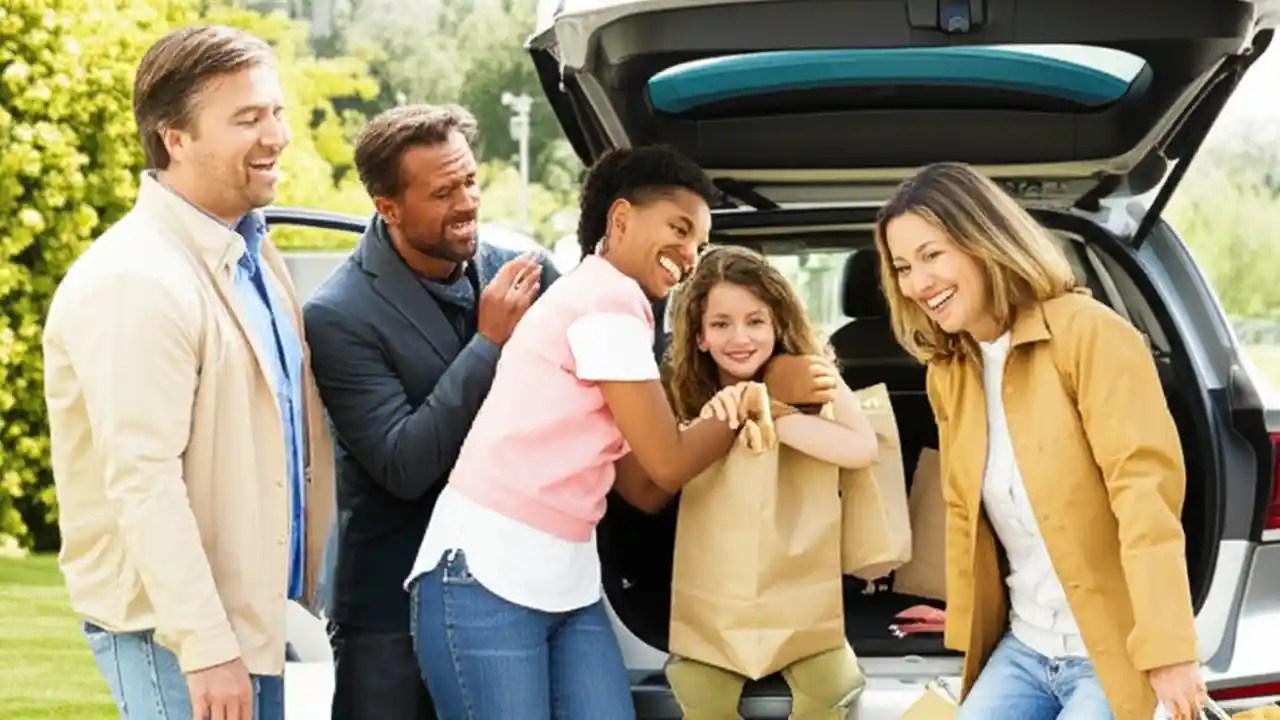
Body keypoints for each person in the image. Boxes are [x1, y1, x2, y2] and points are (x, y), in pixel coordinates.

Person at [405, 145, 770, 720]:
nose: (690, 256)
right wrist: (745, 402)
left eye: (700, 244)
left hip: (567, 583)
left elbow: (647, 488)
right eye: (680, 229)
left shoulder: (617, 318)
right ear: (620, 219)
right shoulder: (604, 302)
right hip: (485, 579)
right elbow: (671, 462)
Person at [42, 24, 333, 720]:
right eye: (246, 118)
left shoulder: (255, 258)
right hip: (176, 637)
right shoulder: (135, 279)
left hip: (255, 618)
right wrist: (206, 647)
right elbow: (143, 482)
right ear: (175, 137)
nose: (277, 135)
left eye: (276, 111)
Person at [874, 162, 1205, 720]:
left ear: (984, 241)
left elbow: (1144, 497)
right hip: (1025, 646)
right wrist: (966, 608)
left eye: (933, 255)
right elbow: (970, 511)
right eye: (903, 267)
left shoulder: (1089, 333)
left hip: (1111, 651)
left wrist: (1169, 648)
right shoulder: (949, 370)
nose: (917, 284)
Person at [301, 103, 557, 720]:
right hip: (390, 612)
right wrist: (488, 343)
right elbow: (403, 463)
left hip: (513, 589)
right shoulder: (338, 314)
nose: (467, 201)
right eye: (443, 192)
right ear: (388, 207)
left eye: (469, 180)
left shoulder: (525, 273)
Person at [660, 245, 880, 720]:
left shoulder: (814, 371)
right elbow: (663, 474)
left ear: (778, 324)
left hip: (803, 604)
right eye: (720, 324)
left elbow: (862, 449)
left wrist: (768, 413)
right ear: (698, 336)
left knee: (833, 687)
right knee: (697, 690)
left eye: (755, 321)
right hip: (715, 610)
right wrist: (711, 424)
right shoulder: (682, 389)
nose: (740, 338)